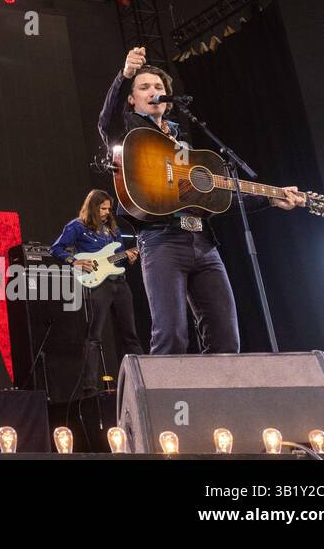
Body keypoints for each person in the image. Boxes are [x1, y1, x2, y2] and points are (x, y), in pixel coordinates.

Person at [98, 47, 305, 354]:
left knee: (225, 337)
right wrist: (124, 75)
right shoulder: (128, 130)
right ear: (132, 99)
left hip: (204, 243)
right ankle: (166, 402)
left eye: (158, 87)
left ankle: (214, 401)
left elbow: (215, 199)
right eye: (144, 87)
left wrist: (271, 199)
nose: (153, 91)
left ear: (168, 99)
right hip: (161, 241)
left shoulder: (182, 142)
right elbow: (106, 121)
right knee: (171, 335)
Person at [51, 189, 143, 394]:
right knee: (94, 335)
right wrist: (74, 261)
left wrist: (129, 256)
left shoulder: (112, 229)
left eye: (109, 209)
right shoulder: (77, 226)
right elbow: (56, 248)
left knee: (130, 334)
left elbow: (118, 254)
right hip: (98, 284)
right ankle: (89, 387)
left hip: (119, 282)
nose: (106, 213)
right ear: (93, 207)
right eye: (103, 208)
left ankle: (139, 381)